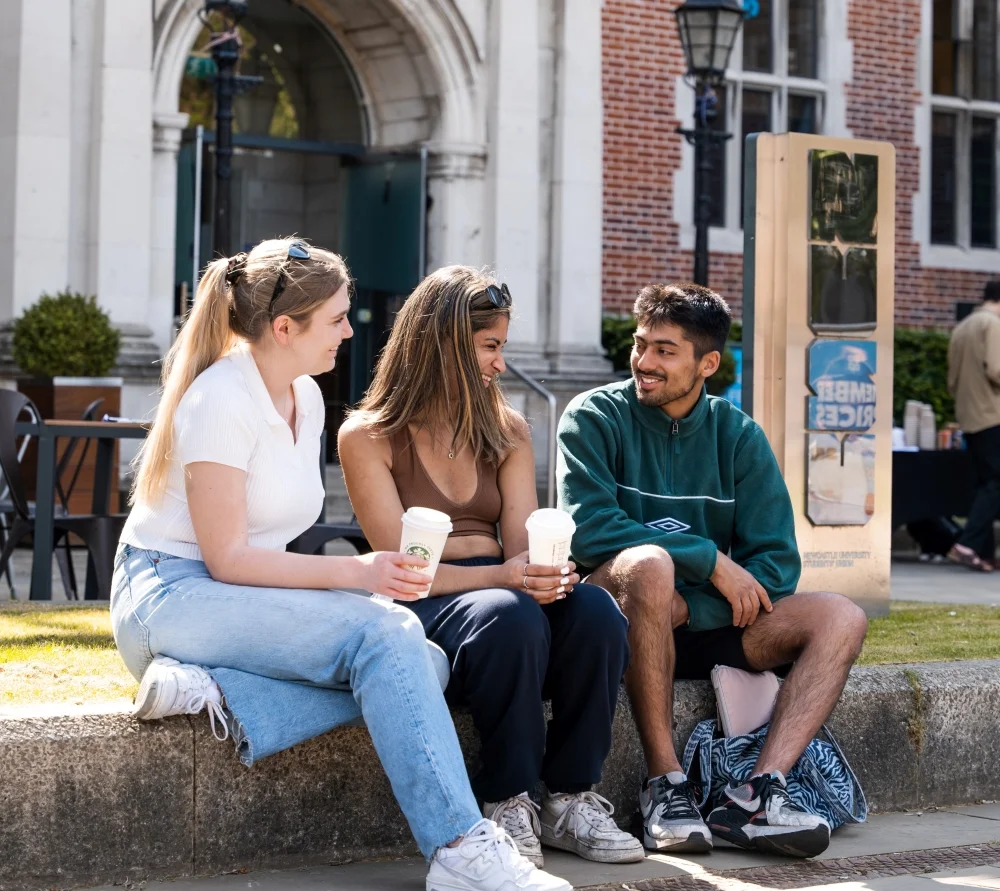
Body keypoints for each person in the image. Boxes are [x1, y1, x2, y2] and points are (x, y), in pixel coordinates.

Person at [111, 238, 571, 891]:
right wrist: (362, 573)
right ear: (283, 327)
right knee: (386, 634)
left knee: (428, 661)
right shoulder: (222, 398)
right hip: (169, 593)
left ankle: (219, 690)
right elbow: (228, 558)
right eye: (335, 318)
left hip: (232, 599)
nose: (351, 330)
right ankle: (459, 846)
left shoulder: (306, 396)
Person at [338, 266, 643, 868]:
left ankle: (571, 798)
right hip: (422, 596)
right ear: (444, 345)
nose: (500, 364)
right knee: (509, 616)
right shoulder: (367, 435)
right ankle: (508, 798)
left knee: (595, 612)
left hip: (493, 589)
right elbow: (403, 565)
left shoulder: (506, 429)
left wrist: (541, 573)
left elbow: (519, 547)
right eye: (490, 347)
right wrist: (500, 574)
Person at [557, 283, 869, 859]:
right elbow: (589, 530)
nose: (644, 362)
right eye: (640, 344)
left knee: (841, 616)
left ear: (707, 363)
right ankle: (664, 786)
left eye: (665, 351)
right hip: (618, 615)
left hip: (706, 622)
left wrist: (693, 604)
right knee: (649, 567)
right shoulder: (595, 416)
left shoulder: (738, 436)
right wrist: (709, 561)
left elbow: (776, 565)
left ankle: (757, 793)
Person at [946, 280, 1000, 572]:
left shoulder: (962, 326)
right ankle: (967, 543)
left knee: (986, 484)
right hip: (993, 415)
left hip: (969, 417)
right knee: (996, 484)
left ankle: (983, 553)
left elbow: (952, 380)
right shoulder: (991, 324)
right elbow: (996, 368)